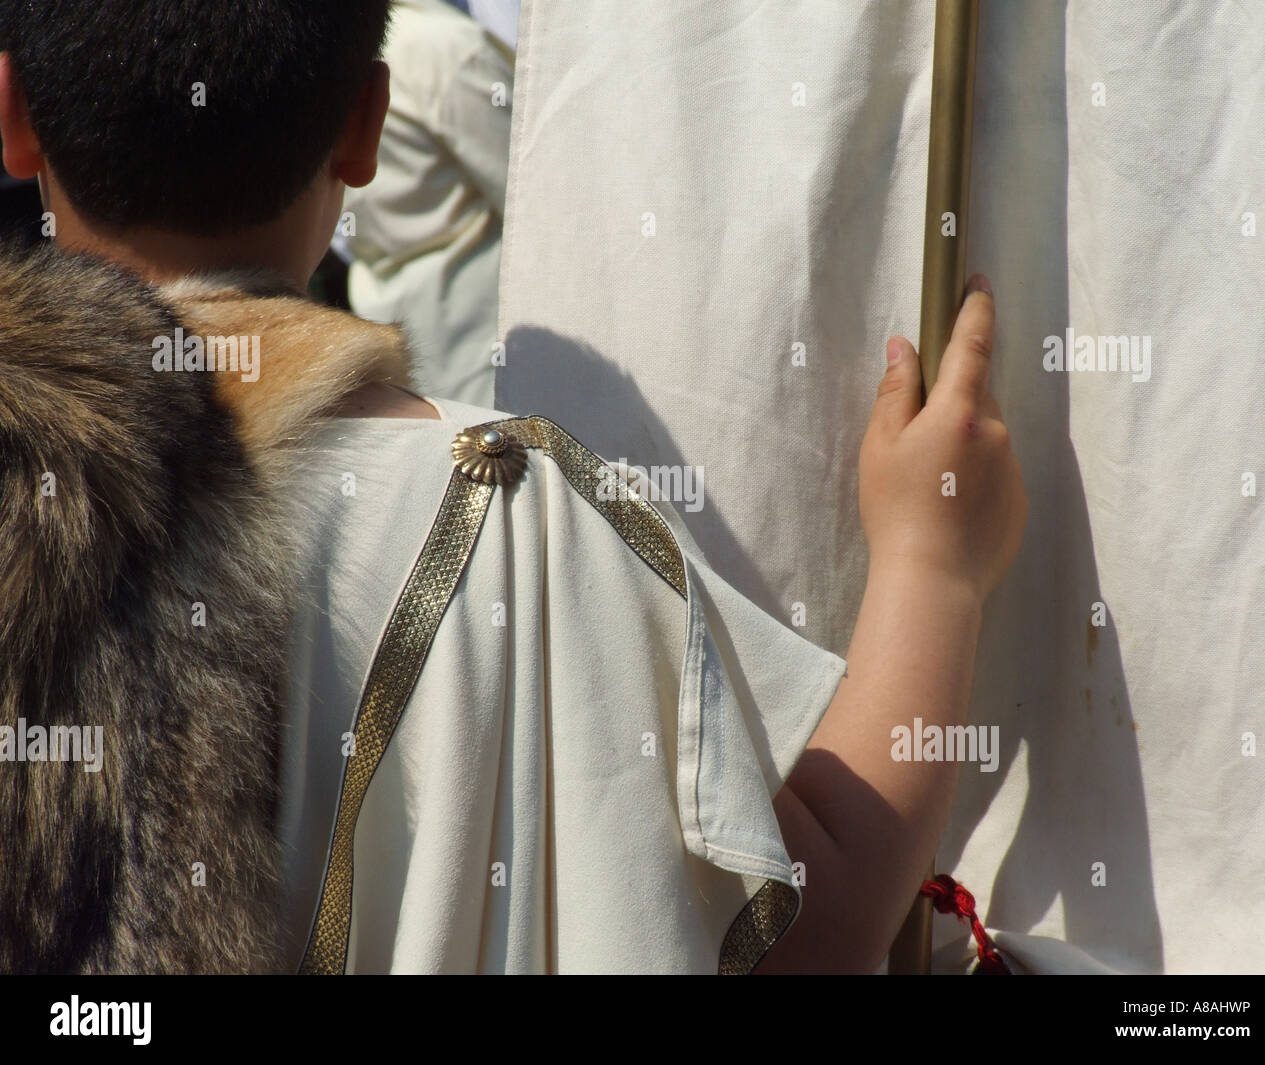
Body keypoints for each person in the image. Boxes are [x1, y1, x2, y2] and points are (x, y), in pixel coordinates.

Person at [0, 0, 1026, 973]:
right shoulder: (515, 523)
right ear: (367, 123)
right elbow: (805, 921)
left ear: (12, 117)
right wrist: (931, 569)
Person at [341, 0, 514, 407]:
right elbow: (534, 197)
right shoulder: (443, 45)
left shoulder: (336, 47)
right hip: (478, 324)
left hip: (388, 318)